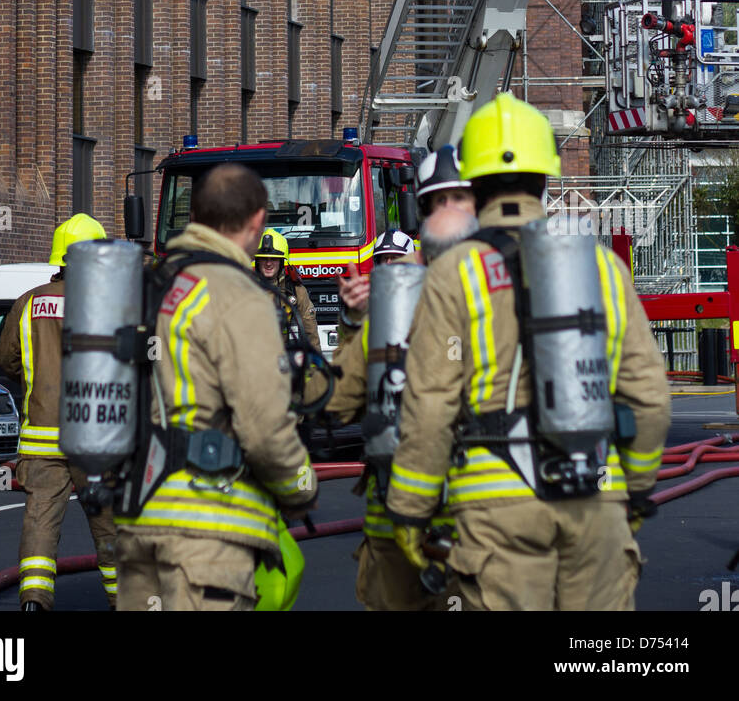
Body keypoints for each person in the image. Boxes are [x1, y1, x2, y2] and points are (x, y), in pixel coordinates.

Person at [386, 94, 671, 612]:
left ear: (473, 183)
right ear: (546, 176)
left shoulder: (456, 272)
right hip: (595, 499)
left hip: (499, 513)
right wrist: (633, 488)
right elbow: (650, 395)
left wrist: (410, 511)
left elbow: (429, 406)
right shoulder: (601, 267)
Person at [114, 163, 318, 612]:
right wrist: (302, 486)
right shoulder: (236, 294)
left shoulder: (151, 285)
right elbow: (265, 427)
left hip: (139, 518)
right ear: (257, 220)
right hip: (206, 530)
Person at [316, 174, 478, 612]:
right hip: (477, 529)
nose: (392, 270)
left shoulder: (398, 315)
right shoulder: (503, 291)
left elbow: (329, 400)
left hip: (411, 522)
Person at [0, 212, 117, 611]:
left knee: (40, 522)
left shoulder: (28, 303)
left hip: (41, 438)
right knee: (108, 522)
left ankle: (34, 599)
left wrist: (39, 380)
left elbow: (8, 360)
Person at [254, 228, 321, 354]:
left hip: (284, 358)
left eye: (273, 259)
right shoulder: (246, 288)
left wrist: (314, 367)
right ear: (258, 261)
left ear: (281, 262)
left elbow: (310, 332)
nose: (269, 263)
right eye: (264, 259)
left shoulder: (295, 290)